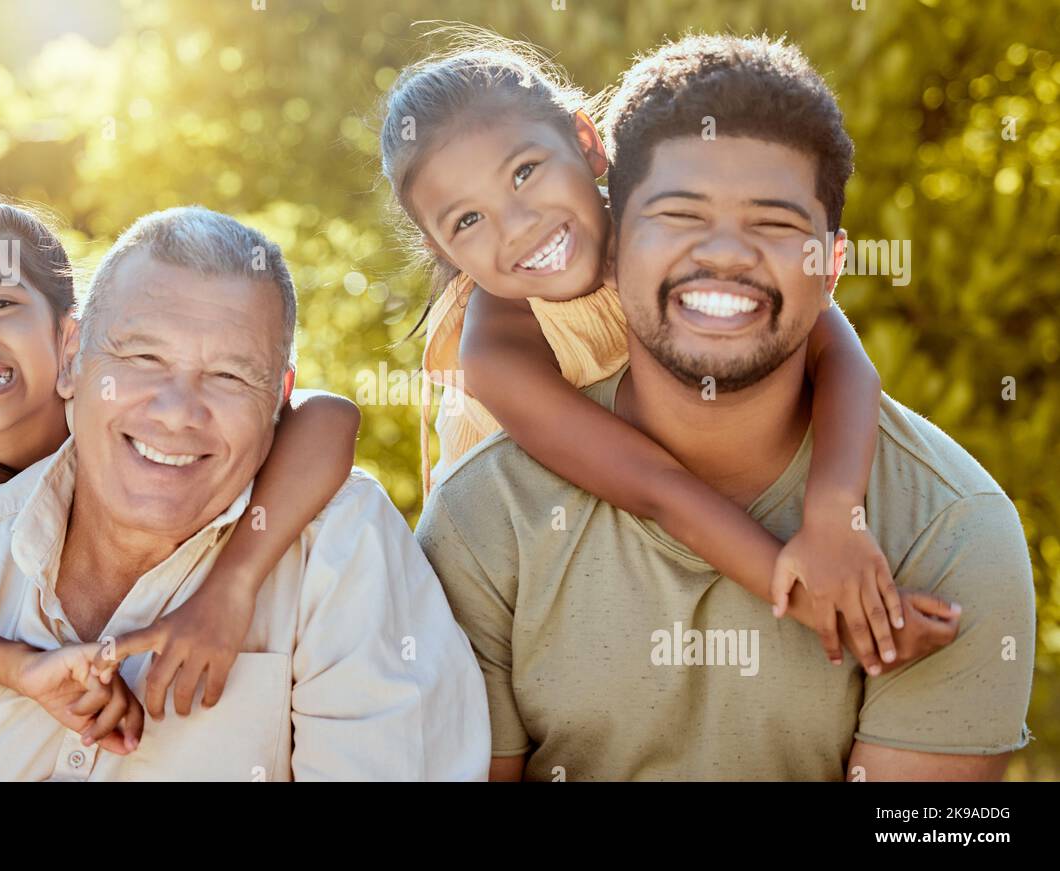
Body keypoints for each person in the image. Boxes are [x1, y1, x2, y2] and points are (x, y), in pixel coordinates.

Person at [414, 34, 1035, 780]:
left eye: (523, 172)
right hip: (573, 503)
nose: (517, 225)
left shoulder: (950, 525)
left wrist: (836, 513)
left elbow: (841, 354)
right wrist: (803, 592)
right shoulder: (488, 454)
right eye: (467, 221)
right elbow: (655, 486)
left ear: (587, 146)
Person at [0, 205, 490, 781]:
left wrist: (233, 581)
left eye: (229, 376)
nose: (177, 410)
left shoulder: (335, 546)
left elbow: (330, 415)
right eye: (142, 357)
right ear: (76, 357)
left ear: (277, 398)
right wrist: (19, 667)